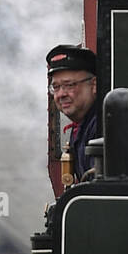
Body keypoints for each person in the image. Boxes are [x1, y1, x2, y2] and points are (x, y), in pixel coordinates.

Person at [46, 45, 98, 179]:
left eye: (69, 85)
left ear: (94, 85)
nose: (61, 94)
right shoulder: (82, 126)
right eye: (56, 87)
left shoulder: (101, 126)